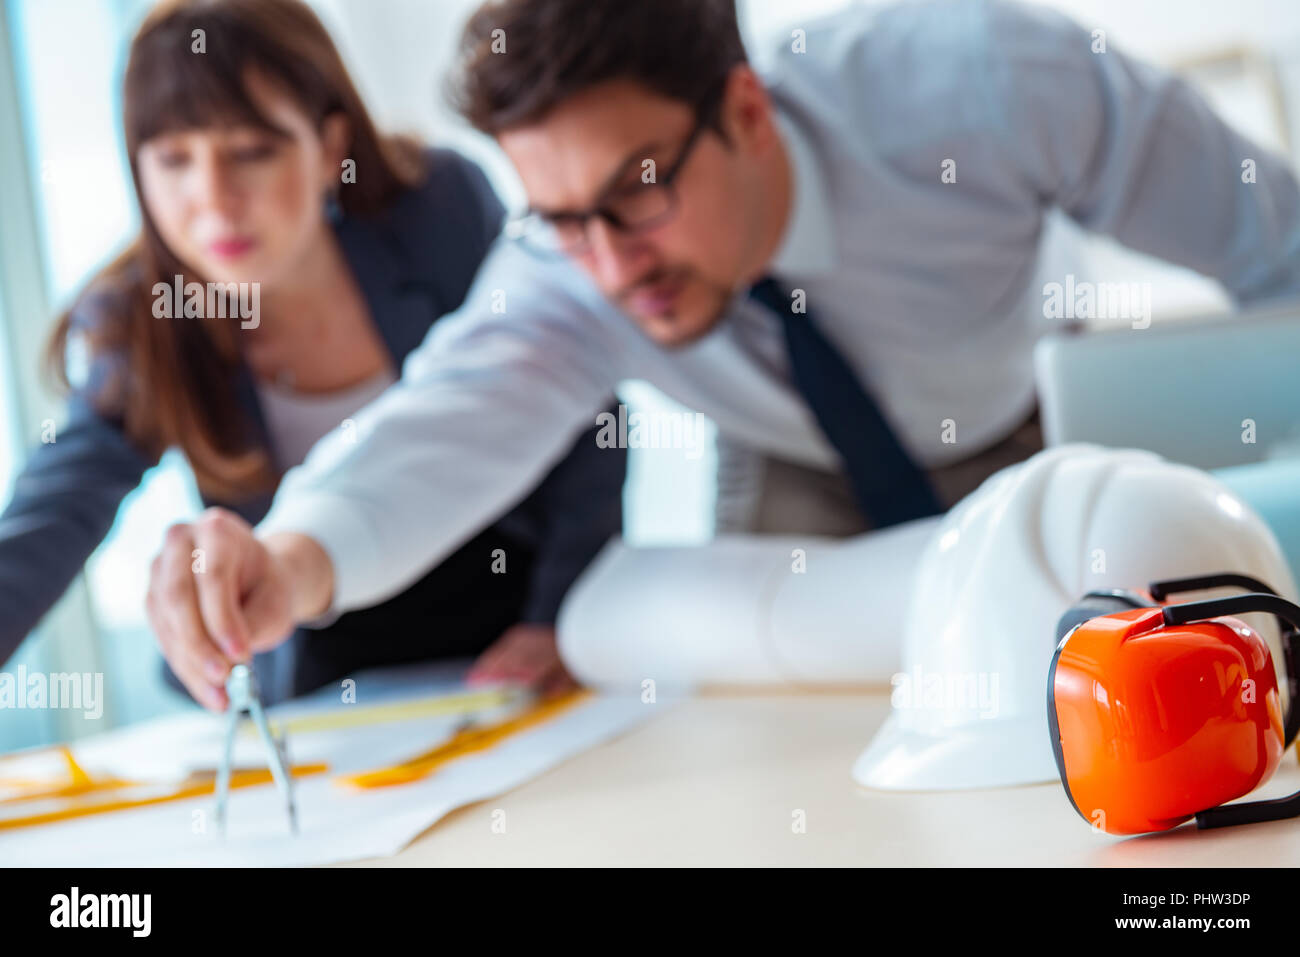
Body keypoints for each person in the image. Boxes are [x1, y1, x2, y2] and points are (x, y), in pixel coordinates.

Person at [145, 0, 1300, 702]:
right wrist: (290, 562)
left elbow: (1277, 245)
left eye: (636, 192)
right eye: (559, 217)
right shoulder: (570, 267)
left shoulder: (986, 84)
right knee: (790, 680)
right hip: (793, 453)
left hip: (1039, 399)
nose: (609, 266)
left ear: (747, 111)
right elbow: (449, 421)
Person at [0, 0, 624, 710]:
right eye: (174, 159)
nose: (213, 201)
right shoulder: (145, 322)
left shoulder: (437, 210)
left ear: (331, 149)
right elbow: (50, 516)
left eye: (252, 152)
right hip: (318, 656)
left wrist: (557, 618)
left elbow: (577, 403)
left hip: (510, 610)